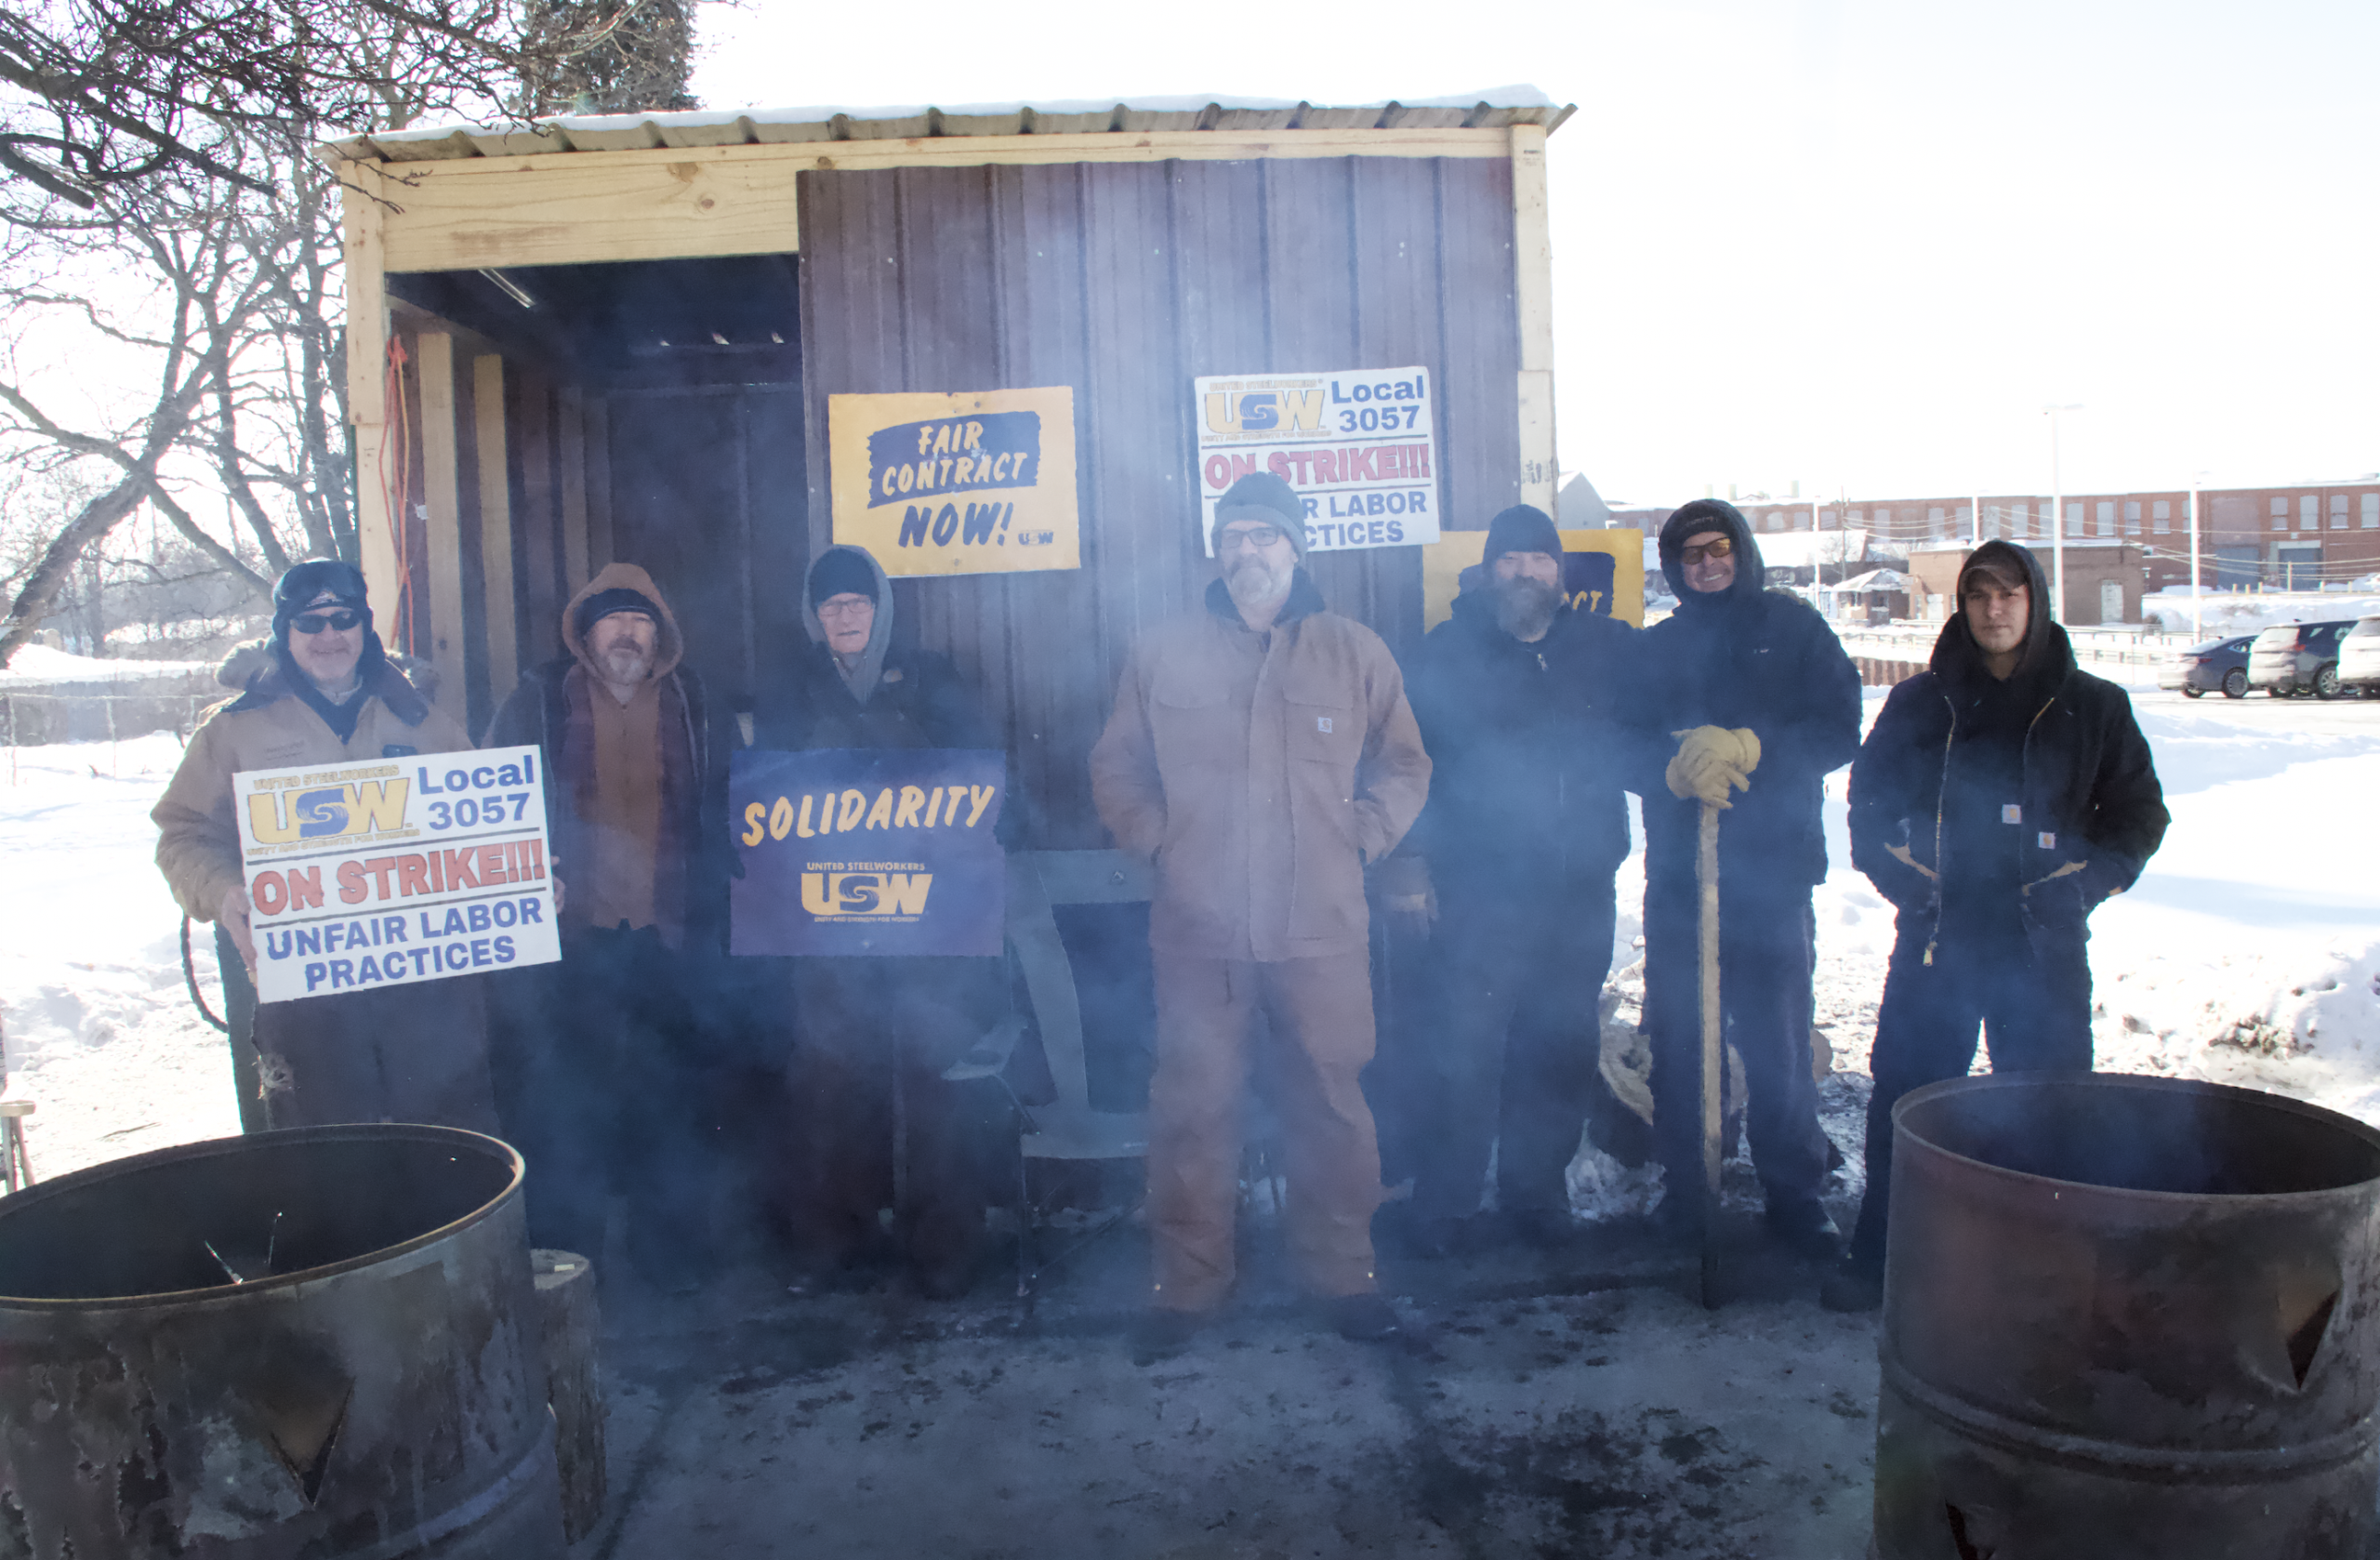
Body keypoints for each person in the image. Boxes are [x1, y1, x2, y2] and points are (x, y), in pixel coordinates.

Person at [1090, 471, 1431, 1356]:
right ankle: (1186, 1289)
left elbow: (1406, 763)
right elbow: (1117, 766)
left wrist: (1361, 834)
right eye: (1234, 535)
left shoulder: (1354, 653)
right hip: (1200, 933)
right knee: (1194, 1107)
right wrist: (1161, 840)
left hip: (1321, 927)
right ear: (1218, 549)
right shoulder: (1162, 651)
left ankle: (1342, 1276)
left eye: (1264, 535)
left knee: (1330, 1103)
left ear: (1296, 547)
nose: (1248, 550)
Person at [1820, 539, 2167, 1311]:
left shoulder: (2094, 706)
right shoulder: (1922, 703)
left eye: (2010, 593)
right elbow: (1869, 805)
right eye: (1980, 595)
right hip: (1940, 938)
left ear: (2035, 602)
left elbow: (2141, 815)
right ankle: (1882, 1255)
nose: (1995, 608)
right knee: (1906, 1098)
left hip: (2041, 944)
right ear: (1963, 605)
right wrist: (1906, 881)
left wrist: (2085, 883)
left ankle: (2042, 1271)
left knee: (2050, 1106)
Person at [153, 558, 498, 1131]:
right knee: (327, 1159)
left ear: (364, 628)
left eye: (343, 618)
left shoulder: (424, 722)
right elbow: (182, 834)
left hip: (426, 988)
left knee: (445, 1147)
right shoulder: (233, 730)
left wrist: (524, 877)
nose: (329, 635)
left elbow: (483, 831)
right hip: (305, 993)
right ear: (284, 633)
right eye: (310, 623)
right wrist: (223, 892)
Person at [760, 543, 1015, 1300]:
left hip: (931, 919)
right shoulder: (792, 687)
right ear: (814, 615)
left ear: (882, 608)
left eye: (858, 602)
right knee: (831, 1080)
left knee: (933, 1074)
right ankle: (837, 1240)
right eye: (831, 605)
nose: (845, 615)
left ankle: (942, 1246)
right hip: (825, 918)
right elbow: (759, 796)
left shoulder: (931, 676)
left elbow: (985, 773)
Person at [1389, 504, 1644, 1251]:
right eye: (1512, 559)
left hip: (1578, 892)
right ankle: (1449, 1203)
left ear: (1559, 572)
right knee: (1464, 1049)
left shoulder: (1601, 648)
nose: (1526, 571)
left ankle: (1536, 1196)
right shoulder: (1443, 653)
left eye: (1540, 559)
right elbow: (1404, 764)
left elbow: (1671, 698)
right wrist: (1408, 860)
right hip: (1478, 892)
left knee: (1558, 1046)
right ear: (1488, 569)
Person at [1624, 499, 1860, 1259]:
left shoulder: (1791, 631)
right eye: (1690, 555)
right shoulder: (1657, 651)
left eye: (1718, 548)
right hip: (1682, 879)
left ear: (1742, 550)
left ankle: (1793, 1192)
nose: (1707, 564)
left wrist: (1755, 746)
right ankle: (1689, 1188)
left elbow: (1838, 725)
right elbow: (1615, 740)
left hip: (1774, 874)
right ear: (1674, 569)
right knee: (1682, 1036)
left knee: (1779, 1042)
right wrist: (1663, 767)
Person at [483, 562, 731, 1286]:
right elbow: (491, 803)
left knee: (669, 1104)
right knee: (569, 1109)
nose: (628, 633)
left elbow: (726, 795)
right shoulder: (539, 698)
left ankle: (670, 1256)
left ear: (662, 634)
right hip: (573, 944)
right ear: (585, 632)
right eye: (614, 620)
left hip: (669, 937)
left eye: (642, 620)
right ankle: (569, 1263)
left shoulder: (692, 698)